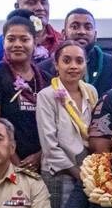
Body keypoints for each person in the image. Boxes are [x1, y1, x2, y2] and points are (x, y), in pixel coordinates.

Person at [0, 15, 51, 172]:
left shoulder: (47, 79)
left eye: (24, 39)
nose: (17, 45)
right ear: (4, 43)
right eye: (11, 39)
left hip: (44, 163)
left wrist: (41, 156)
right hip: (4, 165)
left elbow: (56, 127)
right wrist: (17, 165)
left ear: (35, 42)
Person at [37, 41, 99, 180]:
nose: (73, 66)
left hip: (90, 168)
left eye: (79, 61)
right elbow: (49, 146)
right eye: (66, 61)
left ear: (85, 64)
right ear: (56, 65)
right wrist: (78, 174)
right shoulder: (46, 96)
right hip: (59, 170)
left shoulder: (91, 91)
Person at [39, 8, 112, 96]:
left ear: (95, 35)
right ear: (63, 34)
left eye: (88, 27)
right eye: (74, 27)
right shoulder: (44, 69)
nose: (81, 32)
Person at [0, 0, 63, 68]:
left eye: (43, 3)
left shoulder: (62, 41)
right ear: (17, 7)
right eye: (32, 3)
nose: (40, 8)